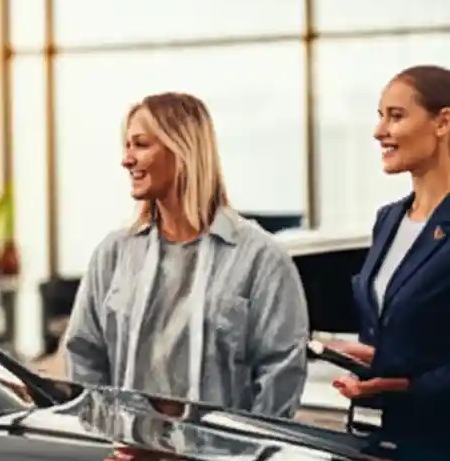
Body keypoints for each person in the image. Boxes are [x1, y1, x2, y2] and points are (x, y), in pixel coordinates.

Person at [62, 91, 309, 419]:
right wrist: (106, 432)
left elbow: (281, 375)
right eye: (127, 145)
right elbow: (84, 357)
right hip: (127, 459)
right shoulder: (114, 253)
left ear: (182, 149)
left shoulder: (262, 259)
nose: (127, 159)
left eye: (141, 144)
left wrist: (243, 460)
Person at [331, 64, 450, 447]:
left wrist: (410, 386)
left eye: (395, 117)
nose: (379, 131)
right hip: (379, 437)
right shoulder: (389, 220)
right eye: (380, 116)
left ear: (443, 122)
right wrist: (372, 359)